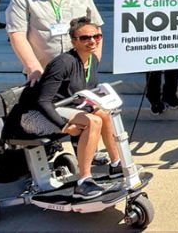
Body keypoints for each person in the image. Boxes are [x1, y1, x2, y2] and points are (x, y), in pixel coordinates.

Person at [12, 17, 122, 199]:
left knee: (104, 114)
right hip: (34, 115)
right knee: (92, 121)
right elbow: (43, 101)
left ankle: (116, 164)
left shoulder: (92, 60)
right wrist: (64, 126)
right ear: (74, 41)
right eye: (85, 38)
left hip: (64, 107)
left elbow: (83, 94)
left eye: (97, 36)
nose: (92, 41)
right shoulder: (63, 63)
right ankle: (84, 181)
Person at [6, 0, 103, 84]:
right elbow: (17, 36)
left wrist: (94, 62)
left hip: (80, 72)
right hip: (43, 73)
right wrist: (33, 68)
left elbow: (96, 32)